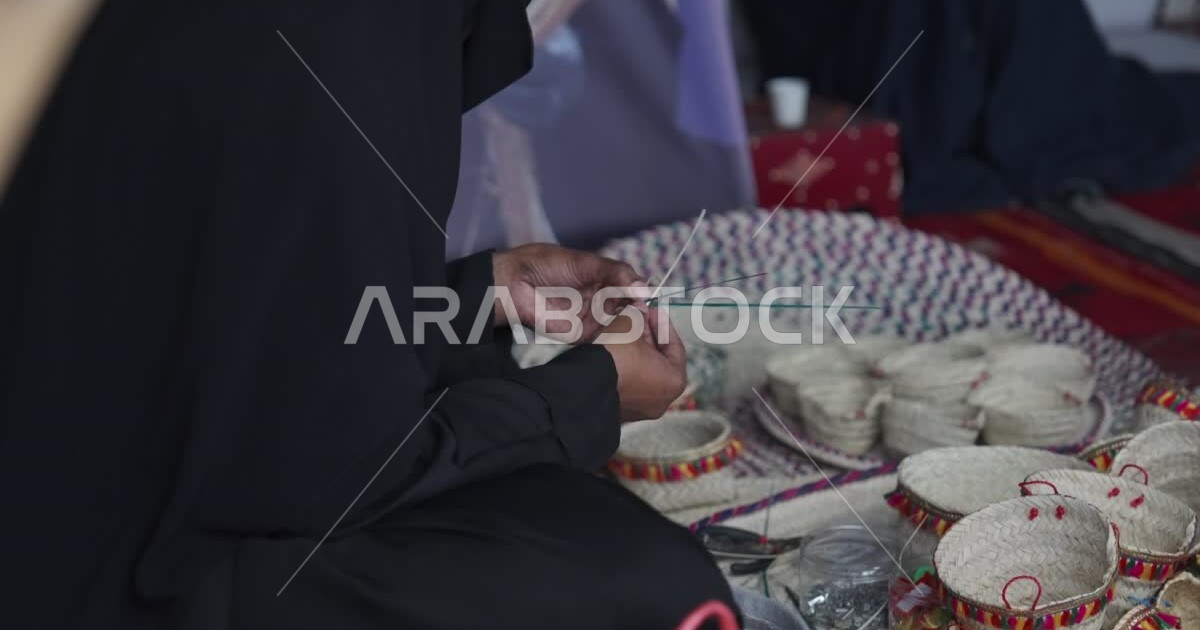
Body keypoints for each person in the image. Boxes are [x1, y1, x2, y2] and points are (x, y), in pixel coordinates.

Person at [0, 1, 735, 628]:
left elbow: (255, 325)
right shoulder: (352, 39)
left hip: (113, 464)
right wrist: (590, 393)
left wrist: (478, 291)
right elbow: (329, 472)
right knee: (656, 589)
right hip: (103, 566)